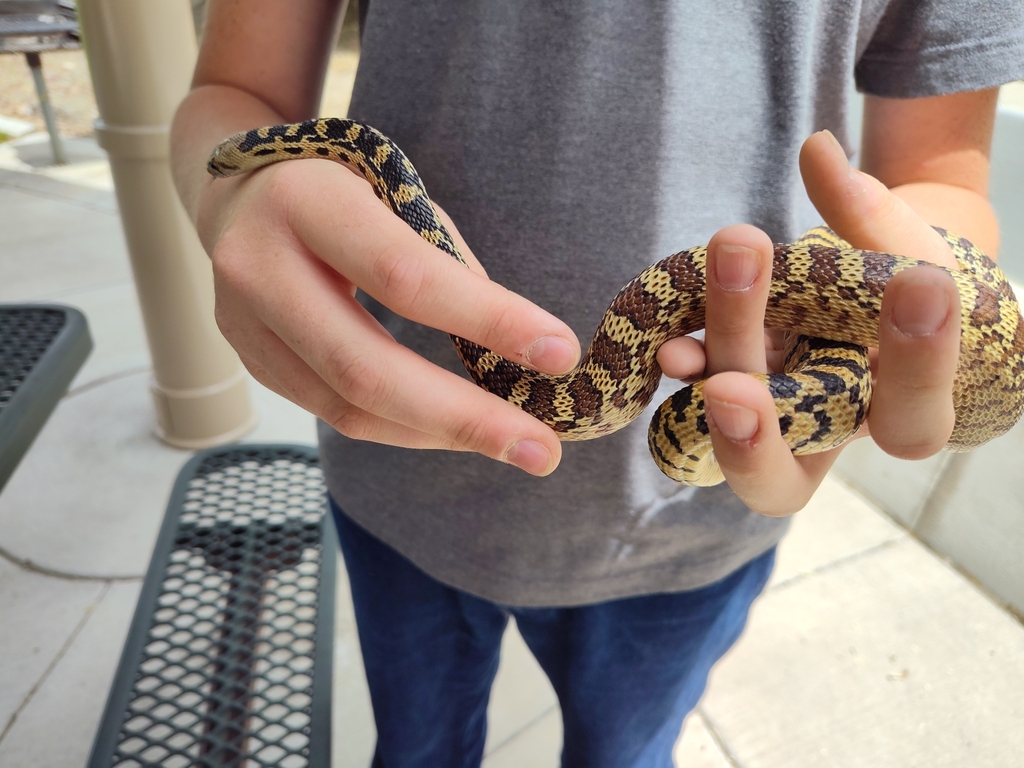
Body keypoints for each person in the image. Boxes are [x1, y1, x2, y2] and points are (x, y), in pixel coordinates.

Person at [171, 1, 1024, 765]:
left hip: (686, 542)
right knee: (417, 746)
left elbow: (941, 182)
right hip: (396, 490)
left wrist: (909, 326)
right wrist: (233, 197)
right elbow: (232, 95)